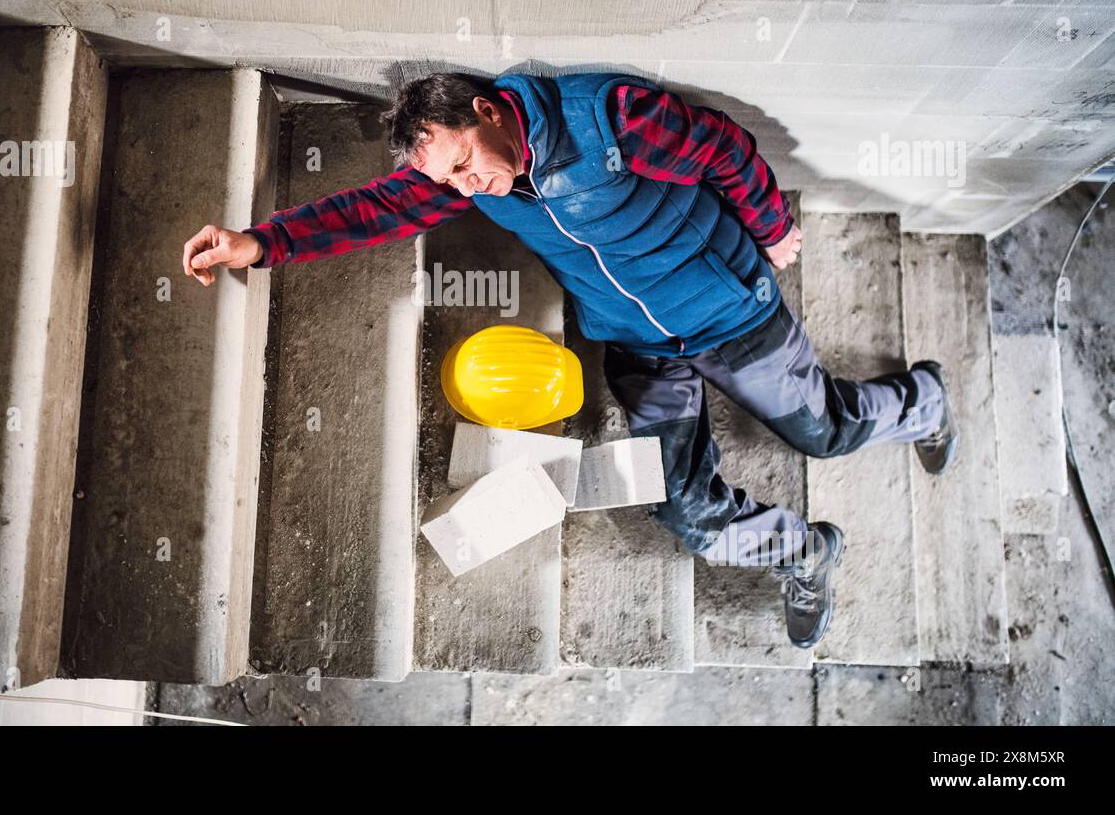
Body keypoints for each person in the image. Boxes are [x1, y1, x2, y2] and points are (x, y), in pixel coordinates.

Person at [181, 71, 958, 648]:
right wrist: (263, 243)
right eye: (447, 180)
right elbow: (379, 208)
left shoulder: (610, 120)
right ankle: (808, 552)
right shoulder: (475, 181)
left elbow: (723, 146)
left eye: (461, 165)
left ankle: (924, 400)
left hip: (731, 310)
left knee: (822, 431)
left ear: (488, 111)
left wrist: (771, 224)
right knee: (680, 507)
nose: (463, 185)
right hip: (638, 345)